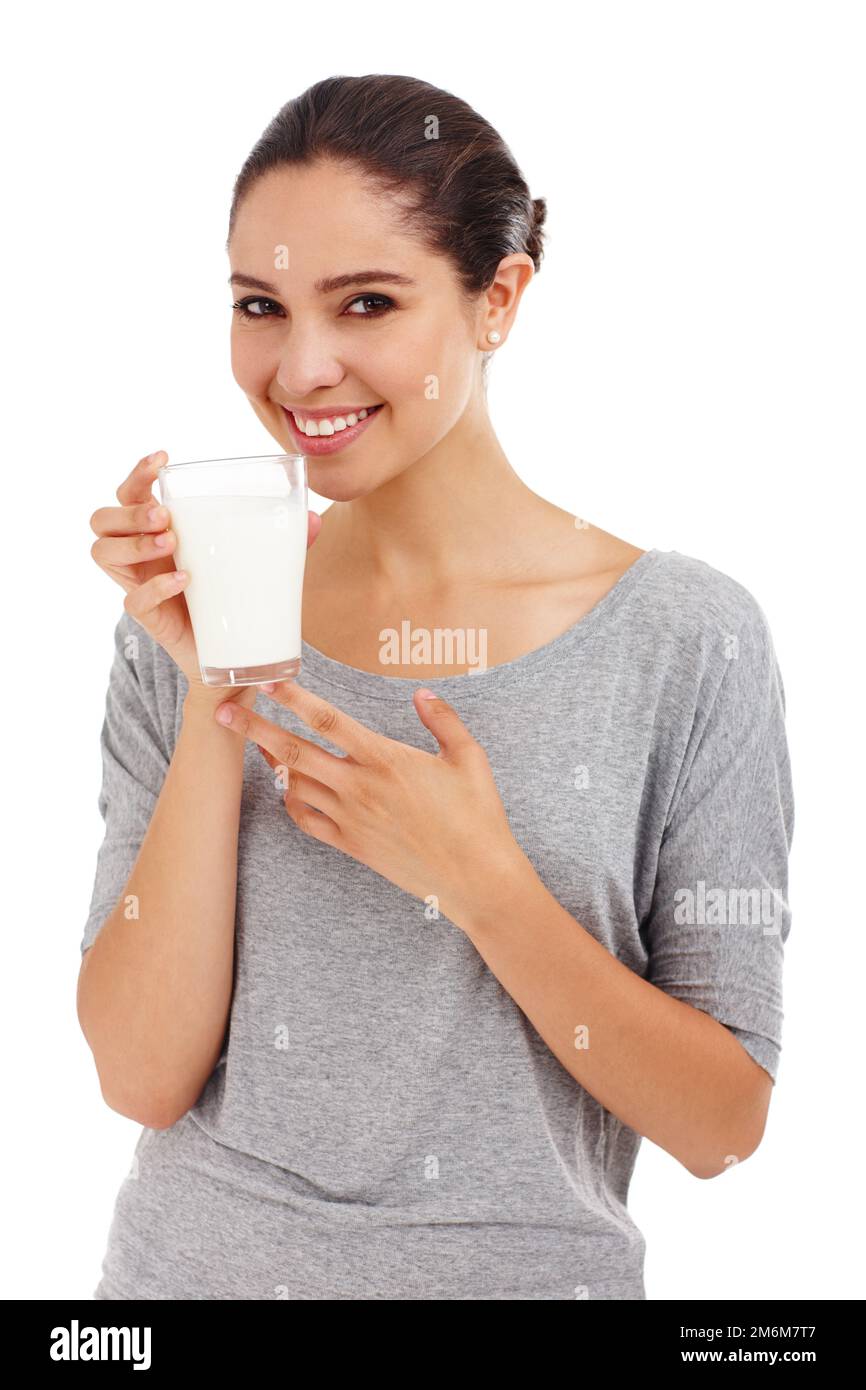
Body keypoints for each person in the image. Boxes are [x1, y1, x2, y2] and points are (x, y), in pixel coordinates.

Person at [78, 74, 794, 1301]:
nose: (301, 368)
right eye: (261, 305)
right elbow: (142, 1079)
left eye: (366, 302)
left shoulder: (687, 640)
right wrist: (216, 689)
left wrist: (476, 878)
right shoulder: (180, 620)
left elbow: (720, 1126)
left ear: (497, 298)